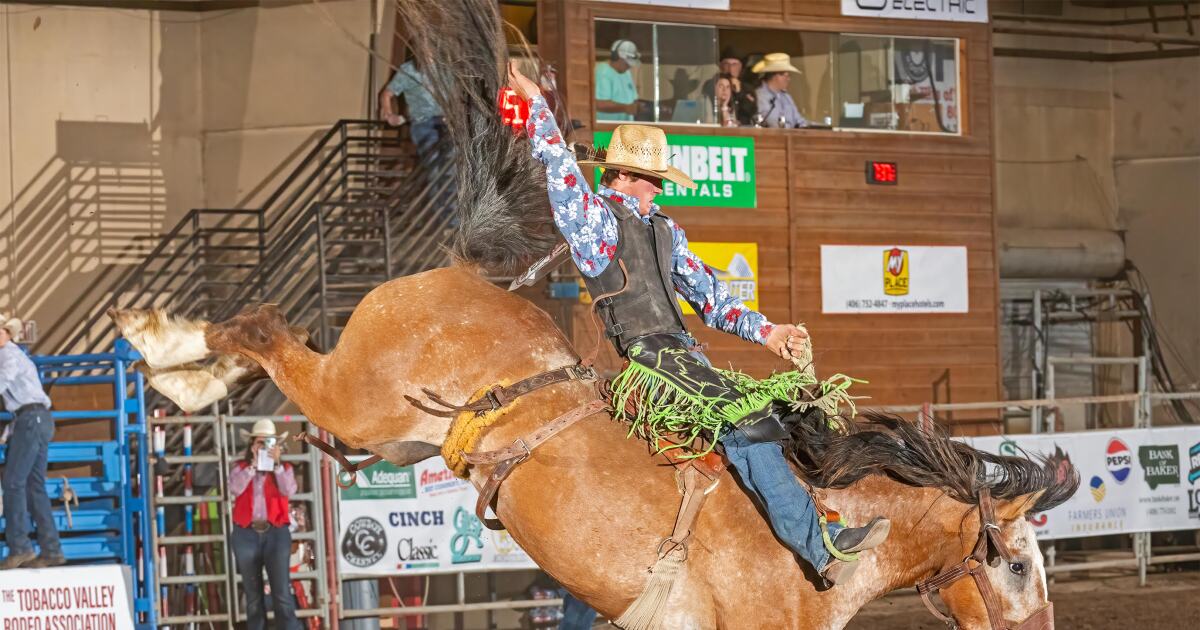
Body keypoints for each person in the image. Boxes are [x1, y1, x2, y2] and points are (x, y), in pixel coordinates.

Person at [509, 64, 889, 586]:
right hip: (647, 358)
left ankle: (814, 525)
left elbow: (711, 298)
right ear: (625, 177)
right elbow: (561, 173)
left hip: (685, 356)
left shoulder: (665, 229)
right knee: (745, 416)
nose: (658, 190)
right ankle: (818, 546)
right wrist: (538, 106)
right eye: (653, 181)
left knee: (783, 413)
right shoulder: (596, 221)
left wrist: (768, 332)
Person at [0, 313, 63, 570]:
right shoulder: (13, 355)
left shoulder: (8, 356)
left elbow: (4, 381)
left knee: (13, 482)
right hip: (36, 419)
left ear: (6, 333)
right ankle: (51, 549)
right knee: (33, 485)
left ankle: (20, 547)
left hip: (30, 420)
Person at [229, 419, 302, 630]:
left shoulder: (284, 468)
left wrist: (276, 464)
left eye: (268, 443)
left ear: (276, 447)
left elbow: (289, 490)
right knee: (253, 595)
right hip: (246, 532)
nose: (264, 447)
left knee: (281, 592)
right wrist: (253, 465)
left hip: (275, 532)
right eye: (260, 443)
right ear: (252, 445)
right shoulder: (241, 467)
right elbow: (234, 488)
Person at [380, 59, 447, 160]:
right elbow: (386, 95)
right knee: (432, 154)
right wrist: (389, 114)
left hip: (445, 121)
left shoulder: (446, 67)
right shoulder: (409, 70)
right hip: (422, 121)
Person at [752, 52, 810, 128]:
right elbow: (773, 123)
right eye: (785, 75)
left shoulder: (786, 96)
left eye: (788, 76)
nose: (788, 79)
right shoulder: (760, 96)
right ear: (774, 76)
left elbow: (799, 120)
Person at [595, 39, 640, 122]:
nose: (629, 66)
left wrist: (639, 107)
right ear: (617, 57)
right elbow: (599, 104)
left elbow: (633, 99)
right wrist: (626, 108)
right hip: (606, 128)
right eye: (626, 63)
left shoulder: (626, 72)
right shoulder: (603, 73)